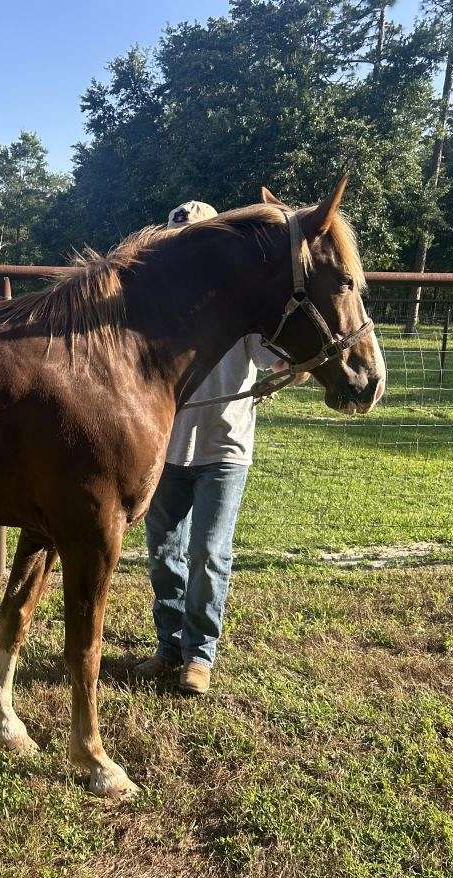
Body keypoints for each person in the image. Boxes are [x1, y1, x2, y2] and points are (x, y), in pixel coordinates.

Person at [135, 199, 291, 695]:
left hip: (223, 449)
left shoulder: (237, 313)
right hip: (164, 449)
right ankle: (169, 648)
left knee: (207, 552)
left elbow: (277, 357)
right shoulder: (155, 313)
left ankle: (199, 656)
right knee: (163, 553)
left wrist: (298, 364)